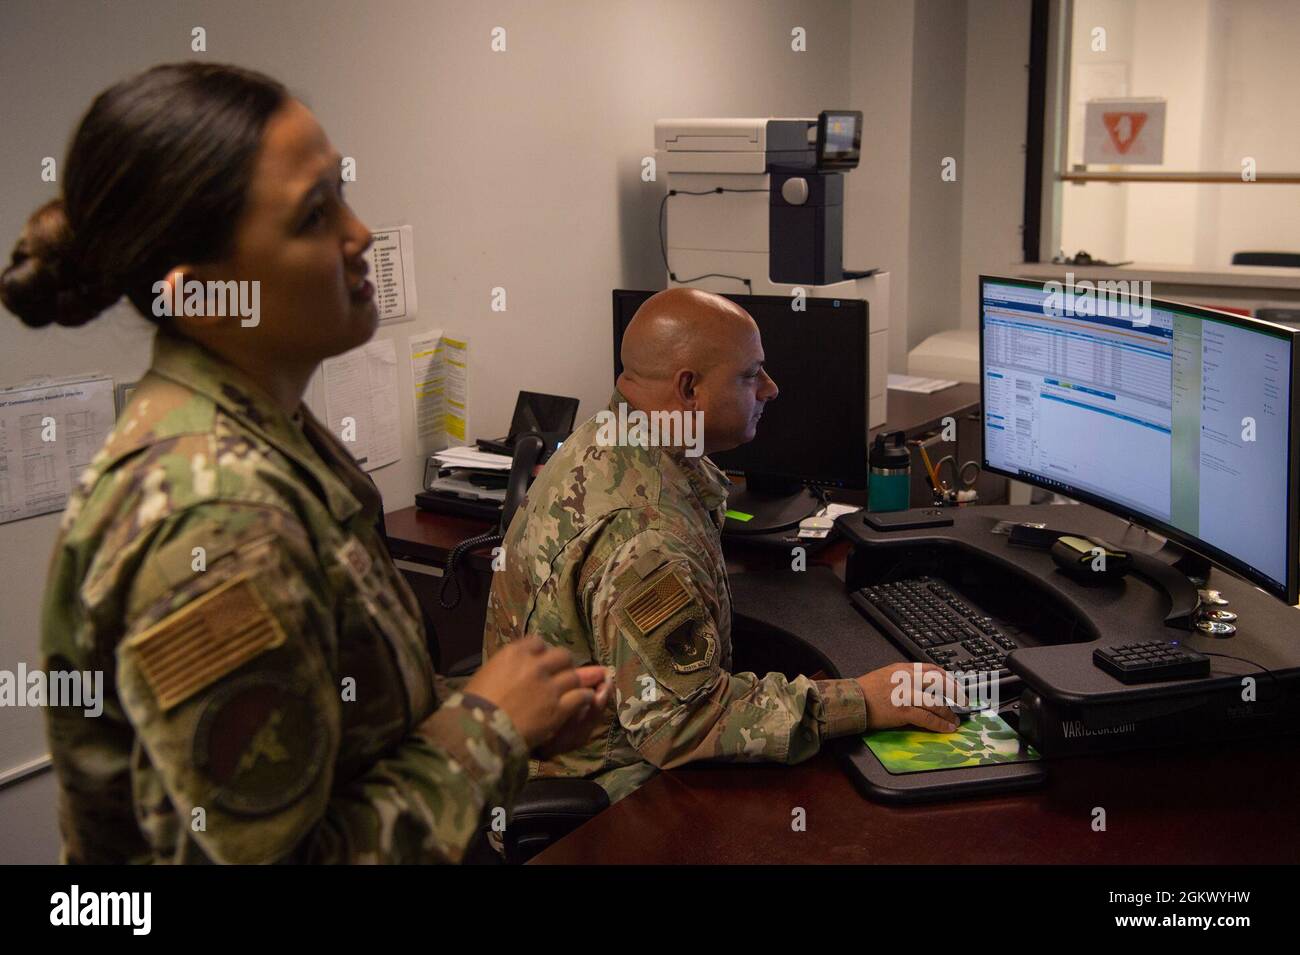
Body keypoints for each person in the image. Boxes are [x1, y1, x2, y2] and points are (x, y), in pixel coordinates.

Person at [2, 61, 607, 864]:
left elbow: (338, 748)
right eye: (314, 214)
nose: (359, 236)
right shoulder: (215, 519)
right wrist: (490, 728)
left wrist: (508, 705)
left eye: (343, 193)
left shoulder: (271, 434)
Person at [483, 288, 959, 803]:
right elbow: (682, 726)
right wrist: (862, 700)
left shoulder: (613, 436)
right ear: (689, 388)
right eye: (751, 375)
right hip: (609, 797)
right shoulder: (647, 534)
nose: (771, 390)